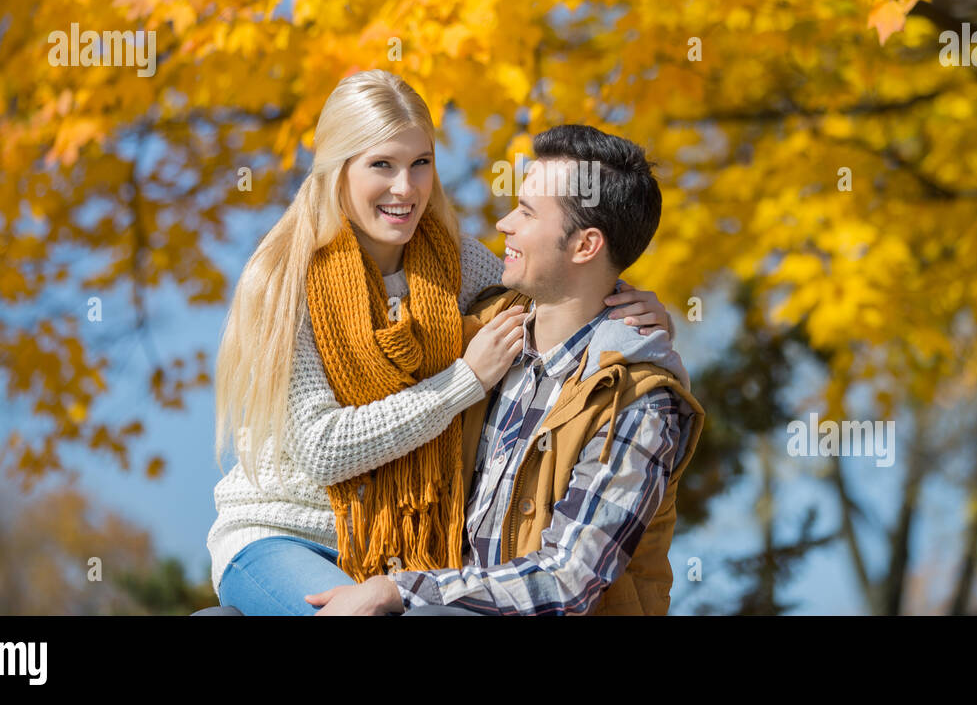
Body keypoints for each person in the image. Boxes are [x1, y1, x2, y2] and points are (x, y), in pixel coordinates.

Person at [206, 71, 675, 615]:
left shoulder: (457, 262)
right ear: (339, 169)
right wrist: (463, 383)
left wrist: (637, 309)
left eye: (420, 163)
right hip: (286, 531)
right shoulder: (283, 281)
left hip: (408, 551)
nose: (405, 188)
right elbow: (322, 451)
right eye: (381, 164)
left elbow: (556, 288)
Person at [302, 124, 705, 616]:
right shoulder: (485, 332)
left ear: (585, 246)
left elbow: (569, 579)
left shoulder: (638, 403)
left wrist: (398, 590)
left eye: (528, 213)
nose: (504, 224)